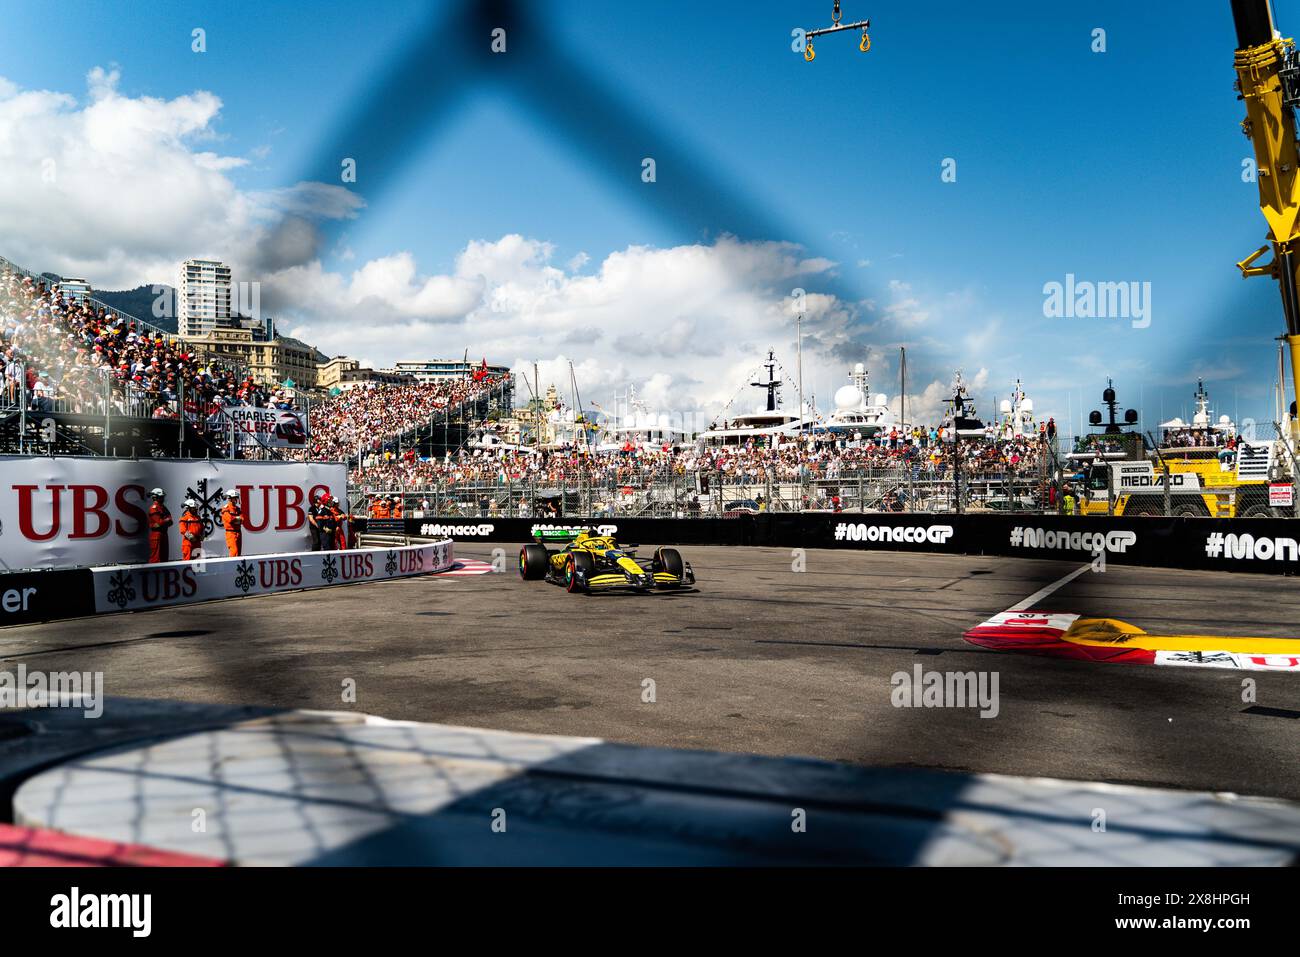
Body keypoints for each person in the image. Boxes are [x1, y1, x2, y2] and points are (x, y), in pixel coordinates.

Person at [147, 488, 173, 564]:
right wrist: (166, 520)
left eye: (163, 497)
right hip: (156, 535)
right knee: (156, 558)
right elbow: (158, 522)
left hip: (164, 534)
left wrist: (164, 521)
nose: (163, 498)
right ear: (155, 497)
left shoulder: (164, 508)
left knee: (164, 558)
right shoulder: (153, 508)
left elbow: (171, 521)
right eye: (161, 497)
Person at [179, 497, 204, 561]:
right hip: (188, 542)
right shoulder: (185, 517)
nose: (195, 509)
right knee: (187, 560)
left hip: (197, 542)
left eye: (195, 507)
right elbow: (182, 530)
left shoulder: (198, 517)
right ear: (188, 508)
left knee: (197, 561)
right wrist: (191, 537)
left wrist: (202, 535)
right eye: (193, 508)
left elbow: (202, 527)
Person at [221, 489, 243, 557]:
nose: (236, 499)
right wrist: (236, 519)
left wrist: (235, 520)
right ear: (230, 498)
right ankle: (232, 566)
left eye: (236, 497)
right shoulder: (226, 509)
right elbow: (229, 519)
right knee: (234, 551)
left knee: (238, 553)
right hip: (230, 533)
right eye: (234, 498)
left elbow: (242, 520)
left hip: (238, 533)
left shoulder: (238, 509)